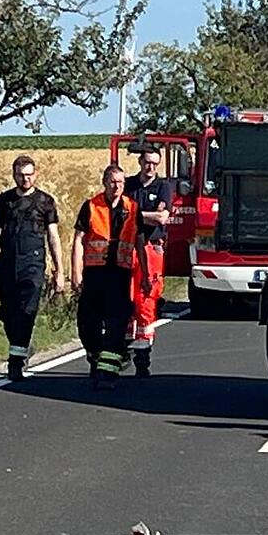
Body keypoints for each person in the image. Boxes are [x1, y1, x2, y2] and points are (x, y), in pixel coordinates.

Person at [0, 155, 62, 382]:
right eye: (20, 175)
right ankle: (23, 345)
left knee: (26, 312)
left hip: (33, 264)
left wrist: (59, 270)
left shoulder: (46, 202)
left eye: (29, 175)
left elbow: (53, 237)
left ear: (35, 175)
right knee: (7, 312)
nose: (25, 179)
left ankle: (15, 363)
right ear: (14, 175)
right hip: (6, 264)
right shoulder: (5, 201)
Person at [72, 163, 145, 390]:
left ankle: (107, 373)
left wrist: (146, 274)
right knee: (87, 324)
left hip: (120, 275)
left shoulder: (133, 208)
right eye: (113, 182)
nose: (117, 186)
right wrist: (75, 273)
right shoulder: (91, 206)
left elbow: (140, 243)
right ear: (104, 183)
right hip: (94, 274)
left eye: (121, 182)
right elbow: (78, 241)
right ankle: (95, 358)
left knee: (116, 324)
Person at [123, 141, 180, 378]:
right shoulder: (129, 185)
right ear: (140, 162)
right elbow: (122, 214)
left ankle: (143, 358)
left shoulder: (163, 186)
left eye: (155, 164)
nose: (150, 168)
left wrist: (137, 215)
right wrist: (146, 215)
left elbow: (162, 218)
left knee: (146, 301)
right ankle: (123, 350)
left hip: (152, 249)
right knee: (125, 298)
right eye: (147, 163)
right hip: (129, 249)